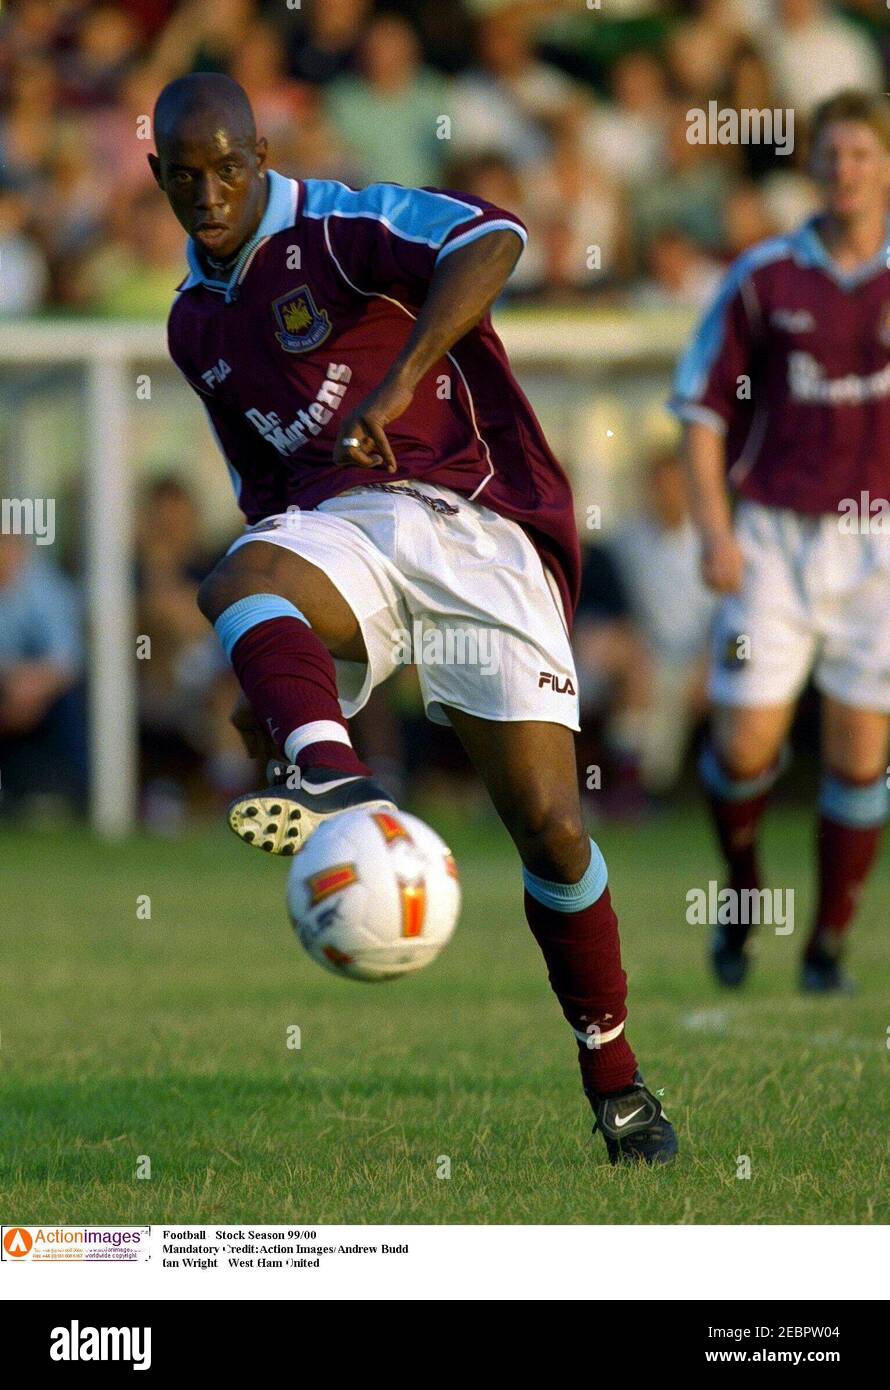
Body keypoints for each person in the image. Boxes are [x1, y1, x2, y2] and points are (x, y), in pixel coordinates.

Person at [149, 71, 677, 1165]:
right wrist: (279, 689)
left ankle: (616, 1082)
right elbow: (264, 492)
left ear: (261, 152)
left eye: (227, 168)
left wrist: (399, 381)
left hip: (475, 523)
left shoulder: (337, 225)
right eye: (184, 176)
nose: (208, 192)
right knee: (237, 580)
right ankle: (330, 774)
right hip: (340, 528)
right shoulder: (193, 323)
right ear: (157, 175)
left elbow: (493, 236)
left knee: (547, 823)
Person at [670, 89, 890, 993]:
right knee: (748, 748)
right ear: (811, 169)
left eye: (863, 154)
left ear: (885, 168)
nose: (845, 170)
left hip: (877, 545)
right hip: (771, 538)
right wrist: (714, 529)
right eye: (831, 154)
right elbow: (700, 410)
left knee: (859, 756)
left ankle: (829, 941)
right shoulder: (764, 277)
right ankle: (744, 889)